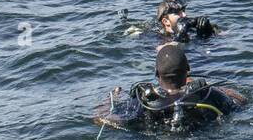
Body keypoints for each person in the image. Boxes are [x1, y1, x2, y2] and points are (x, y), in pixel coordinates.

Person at [94, 43, 245, 133]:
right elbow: (241, 100)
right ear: (188, 69)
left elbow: (102, 120)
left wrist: (111, 99)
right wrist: (212, 88)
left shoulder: (145, 102)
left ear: (156, 73)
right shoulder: (206, 94)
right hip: (201, 137)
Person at [119, 0, 219, 42]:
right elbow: (167, 52)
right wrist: (182, 33)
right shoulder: (156, 37)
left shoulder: (191, 29)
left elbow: (225, 37)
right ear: (165, 21)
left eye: (183, 11)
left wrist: (209, 31)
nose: (184, 15)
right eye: (177, 13)